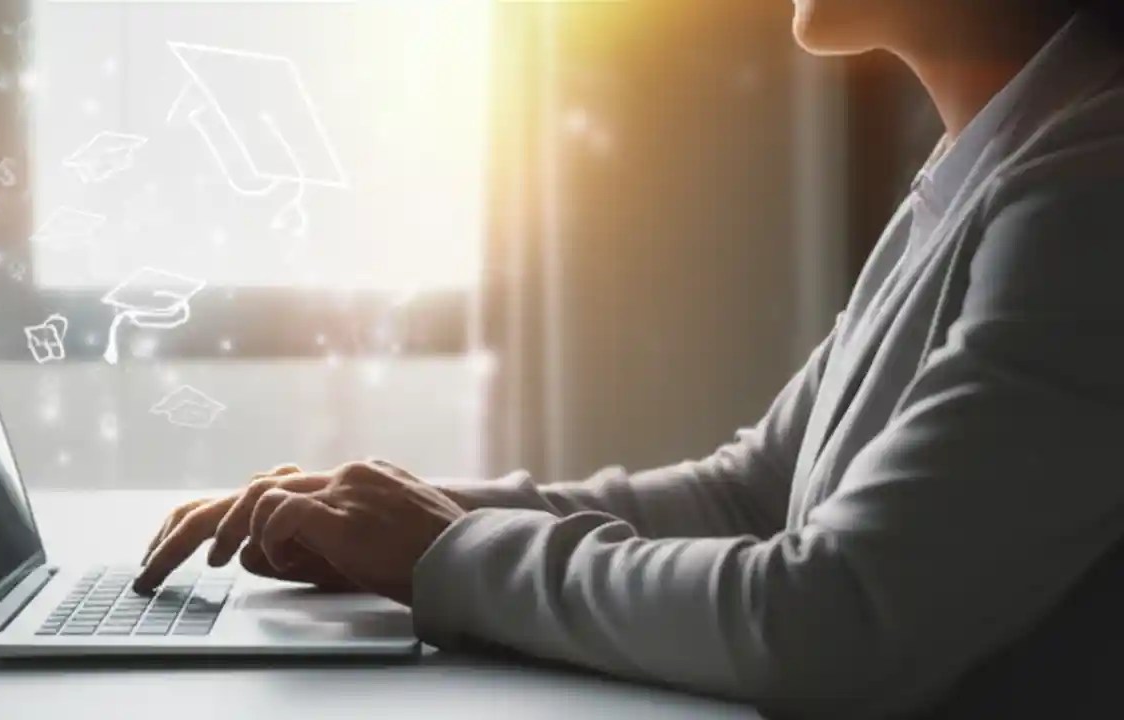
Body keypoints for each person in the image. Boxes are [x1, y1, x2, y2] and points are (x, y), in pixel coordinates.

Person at [133, 0, 1124, 715]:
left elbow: (835, 620)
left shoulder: (1088, 187)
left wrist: (441, 553)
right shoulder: (999, 158)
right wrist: (388, 518)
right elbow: (750, 495)